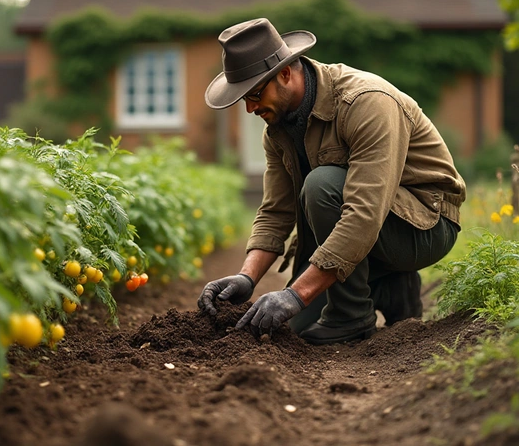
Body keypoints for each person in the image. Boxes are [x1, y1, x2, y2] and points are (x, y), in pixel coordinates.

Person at [197, 18, 465, 344]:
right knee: (291, 330)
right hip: (371, 223)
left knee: (321, 184)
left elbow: (364, 213)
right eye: (244, 100)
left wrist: (295, 294)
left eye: (254, 94)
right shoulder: (279, 128)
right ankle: (391, 285)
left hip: (425, 223)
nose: (251, 108)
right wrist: (247, 277)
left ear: (285, 73)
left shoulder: (366, 102)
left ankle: (351, 316)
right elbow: (275, 211)